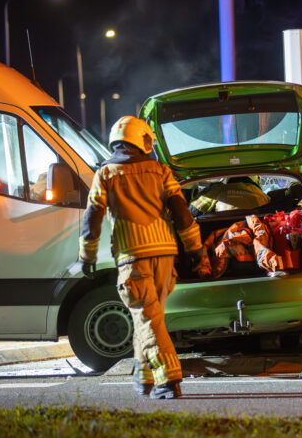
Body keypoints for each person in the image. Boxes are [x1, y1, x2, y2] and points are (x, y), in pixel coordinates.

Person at [78, 116, 205, 399]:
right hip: (166, 256)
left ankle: (168, 378)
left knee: (147, 320)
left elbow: (92, 217)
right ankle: (144, 376)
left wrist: (87, 255)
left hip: (132, 257)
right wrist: (195, 249)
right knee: (150, 319)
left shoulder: (105, 174)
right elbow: (181, 212)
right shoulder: (161, 170)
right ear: (141, 140)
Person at [189, 176, 270, 216]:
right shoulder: (264, 196)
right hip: (255, 231)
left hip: (223, 231)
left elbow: (193, 211)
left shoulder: (216, 190)